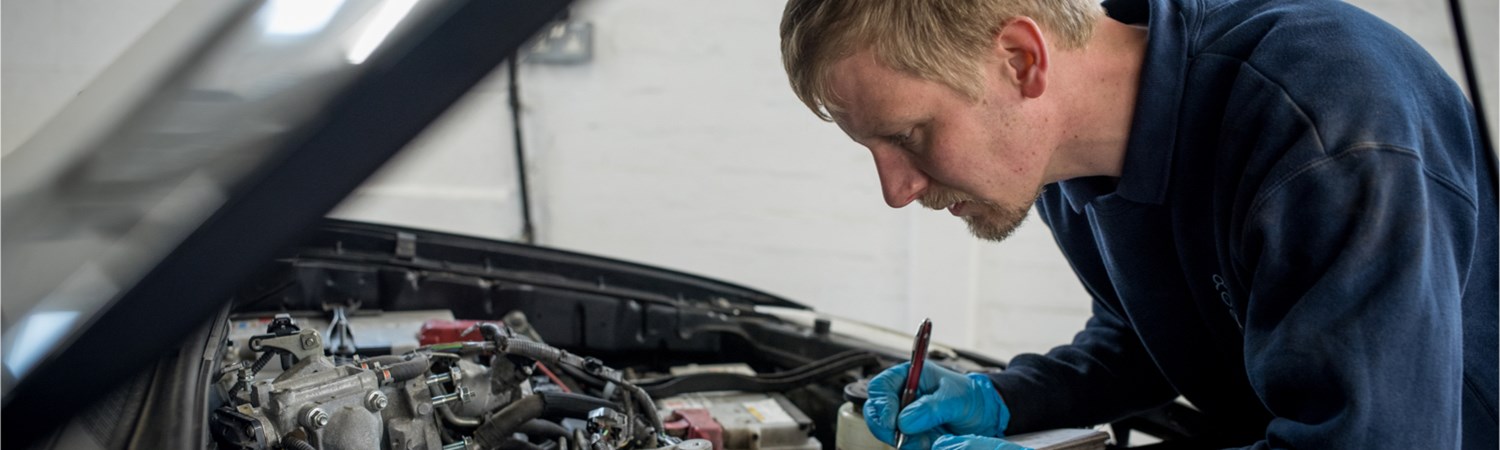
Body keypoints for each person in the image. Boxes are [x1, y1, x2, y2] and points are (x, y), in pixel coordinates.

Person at [779, 0, 1498, 448]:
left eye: (907, 134)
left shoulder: (1324, 124)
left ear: (1020, 60)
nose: (895, 192)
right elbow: (1153, 341)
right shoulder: (1065, 164)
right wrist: (1005, 399)